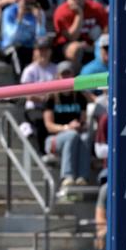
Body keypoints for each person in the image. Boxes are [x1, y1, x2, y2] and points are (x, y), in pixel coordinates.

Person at [43, 61, 91, 193]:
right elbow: (49, 126)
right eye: (63, 74)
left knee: (85, 137)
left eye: (68, 74)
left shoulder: (80, 96)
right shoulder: (51, 97)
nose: (66, 77)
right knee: (72, 135)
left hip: (74, 135)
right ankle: (67, 176)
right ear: (58, 76)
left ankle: (83, 177)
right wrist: (66, 127)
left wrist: (79, 125)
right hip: (54, 139)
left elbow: (83, 120)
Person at [52, 0, 108, 66]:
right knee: (75, 49)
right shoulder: (61, 12)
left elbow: (106, 29)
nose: (77, 1)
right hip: (69, 44)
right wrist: (79, 14)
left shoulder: (96, 8)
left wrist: (96, 44)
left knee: (98, 33)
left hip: (92, 43)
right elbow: (72, 37)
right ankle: (76, 75)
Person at [0, 0, 46, 74]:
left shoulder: (39, 14)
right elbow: (11, 39)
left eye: (31, 4)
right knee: (18, 51)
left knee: (43, 51)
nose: (29, 6)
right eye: (26, 3)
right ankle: (20, 82)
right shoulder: (9, 12)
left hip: (30, 48)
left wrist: (39, 22)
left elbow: (41, 39)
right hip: (11, 49)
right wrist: (19, 19)